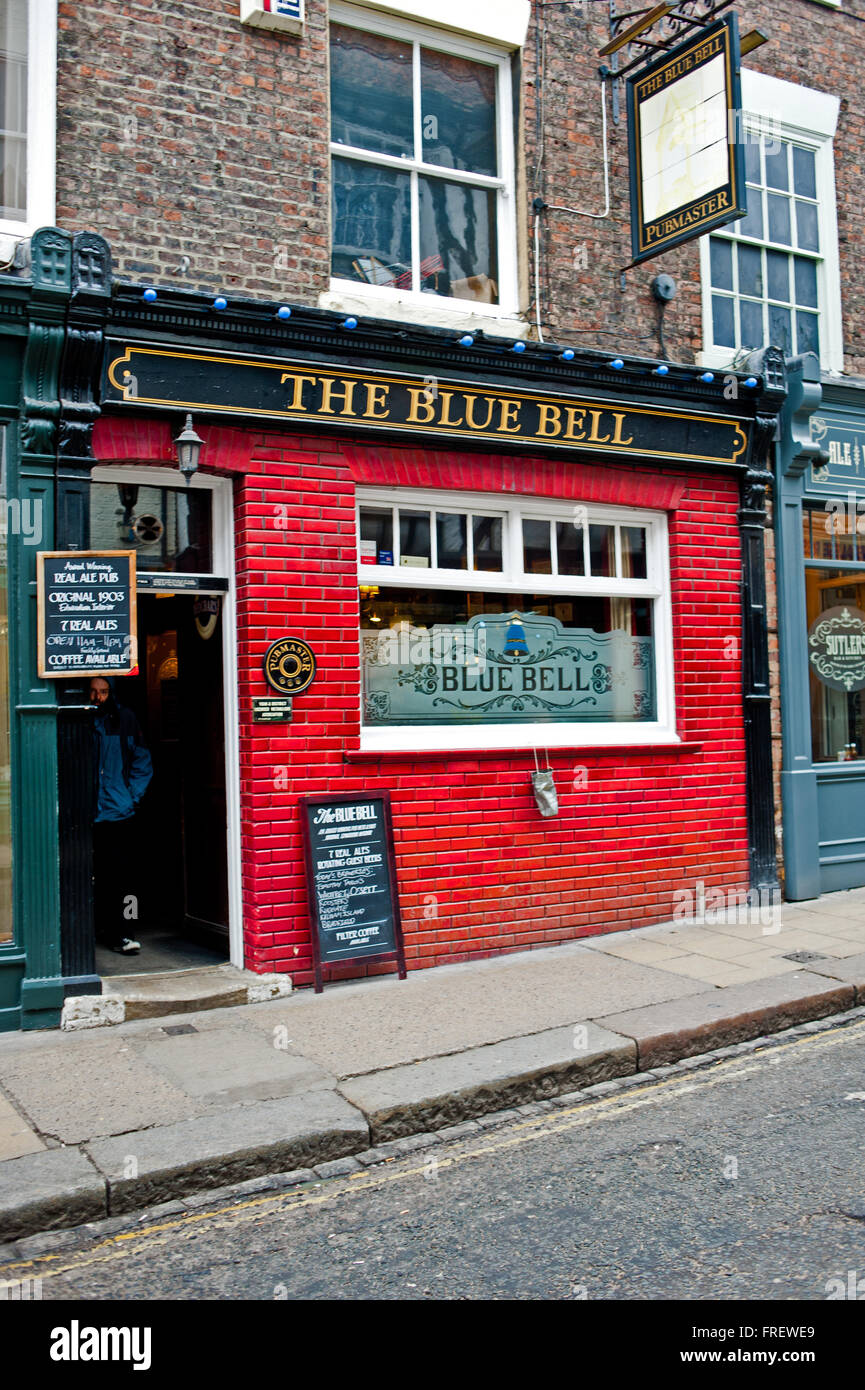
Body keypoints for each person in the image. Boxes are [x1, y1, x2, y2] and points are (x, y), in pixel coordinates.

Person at [90, 676, 153, 954]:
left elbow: (142, 760)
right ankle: (97, 931)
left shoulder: (126, 719)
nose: (97, 697)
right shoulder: (80, 719)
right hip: (86, 814)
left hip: (118, 812)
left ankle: (125, 932)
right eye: (92, 691)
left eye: (103, 691)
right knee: (91, 876)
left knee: (123, 878)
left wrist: (132, 796)